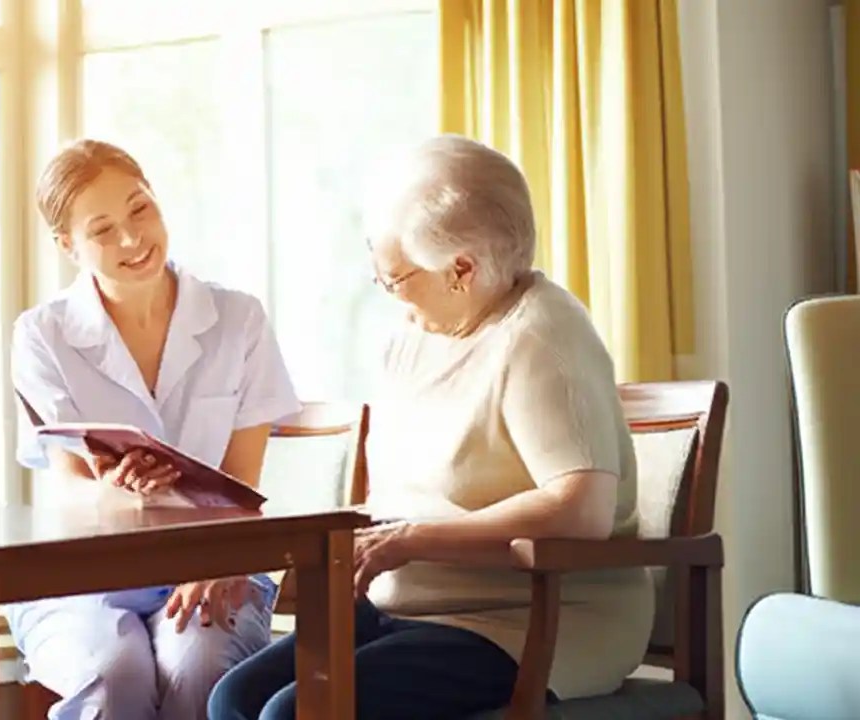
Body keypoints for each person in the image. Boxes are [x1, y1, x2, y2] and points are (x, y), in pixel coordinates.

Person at [208, 134, 653, 719]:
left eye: (395, 278)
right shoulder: (412, 339)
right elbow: (396, 499)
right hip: (407, 608)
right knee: (233, 700)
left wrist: (411, 540)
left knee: (294, 713)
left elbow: (581, 510)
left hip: (523, 619)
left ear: (461, 270)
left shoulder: (541, 336)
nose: (389, 293)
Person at [6, 138, 301, 720]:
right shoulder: (42, 334)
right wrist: (118, 494)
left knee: (197, 670)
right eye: (103, 229)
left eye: (140, 209)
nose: (133, 240)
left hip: (214, 556)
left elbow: (243, 487)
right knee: (115, 675)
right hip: (84, 574)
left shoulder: (238, 319)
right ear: (67, 245)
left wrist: (221, 557)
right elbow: (67, 490)